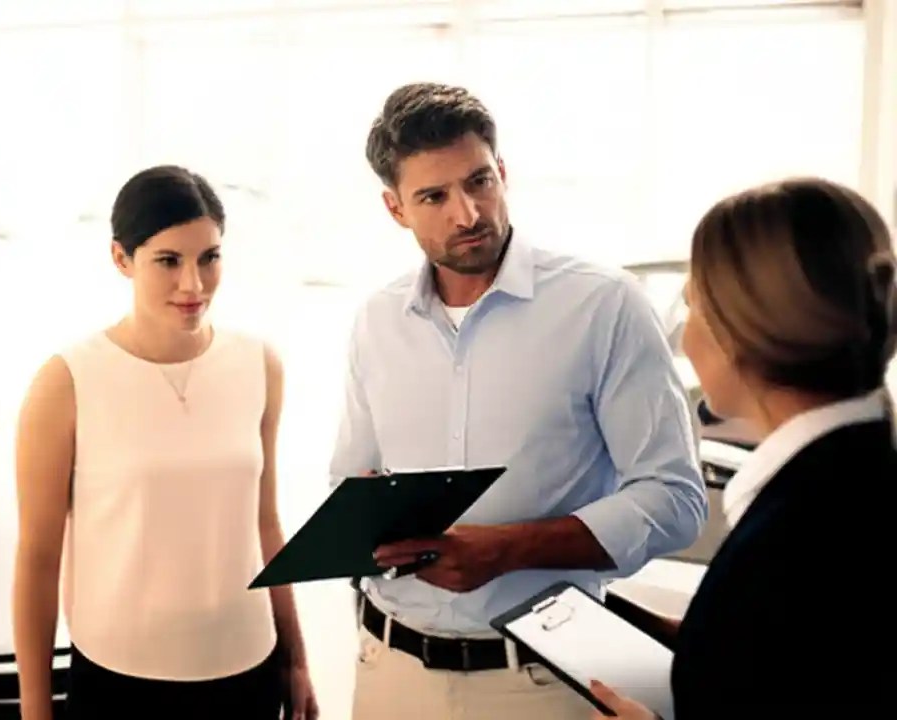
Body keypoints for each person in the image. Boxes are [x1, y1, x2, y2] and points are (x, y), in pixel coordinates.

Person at [330, 82, 709, 719]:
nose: (468, 214)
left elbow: (676, 499)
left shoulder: (603, 305)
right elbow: (351, 479)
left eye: (479, 181)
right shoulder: (376, 320)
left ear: (502, 171)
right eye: (434, 196)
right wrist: (367, 519)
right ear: (396, 208)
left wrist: (512, 548)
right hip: (389, 671)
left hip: (543, 682)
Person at [12, 165, 318, 720]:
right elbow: (37, 559)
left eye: (210, 258)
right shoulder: (68, 380)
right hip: (120, 682)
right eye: (169, 261)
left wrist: (296, 659)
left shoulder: (259, 363)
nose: (193, 285)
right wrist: (35, 712)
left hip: (247, 672)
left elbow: (266, 524)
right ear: (120, 258)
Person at [588, 178, 895, 718]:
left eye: (694, 309)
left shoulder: (801, 531)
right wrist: (707, 635)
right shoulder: (857, 476)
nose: (683, 339)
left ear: (742, 333)